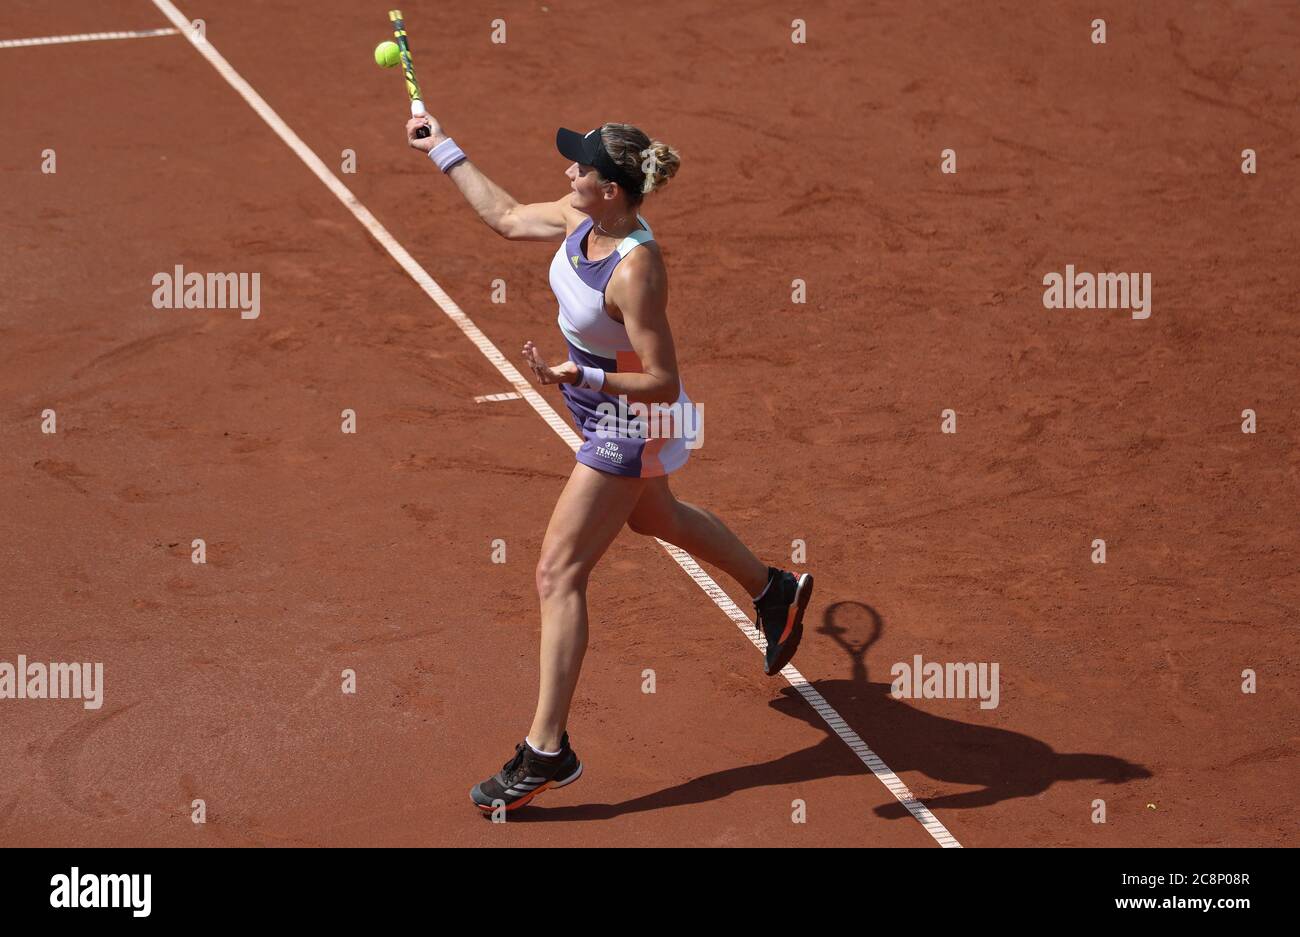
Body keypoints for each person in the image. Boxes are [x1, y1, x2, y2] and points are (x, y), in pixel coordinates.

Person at [405, 116, 814, 813]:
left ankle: (545, 749)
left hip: (628, 411)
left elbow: (660, 379)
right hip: (593, 397)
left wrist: (582, 378)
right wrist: (441, 148)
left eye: (580, 167)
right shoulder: (576, 215)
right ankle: (772, 588)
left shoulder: (636, 270)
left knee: (557, 571)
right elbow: (503, 217)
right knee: (655, 515)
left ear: (614, 190)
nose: (569, 173)